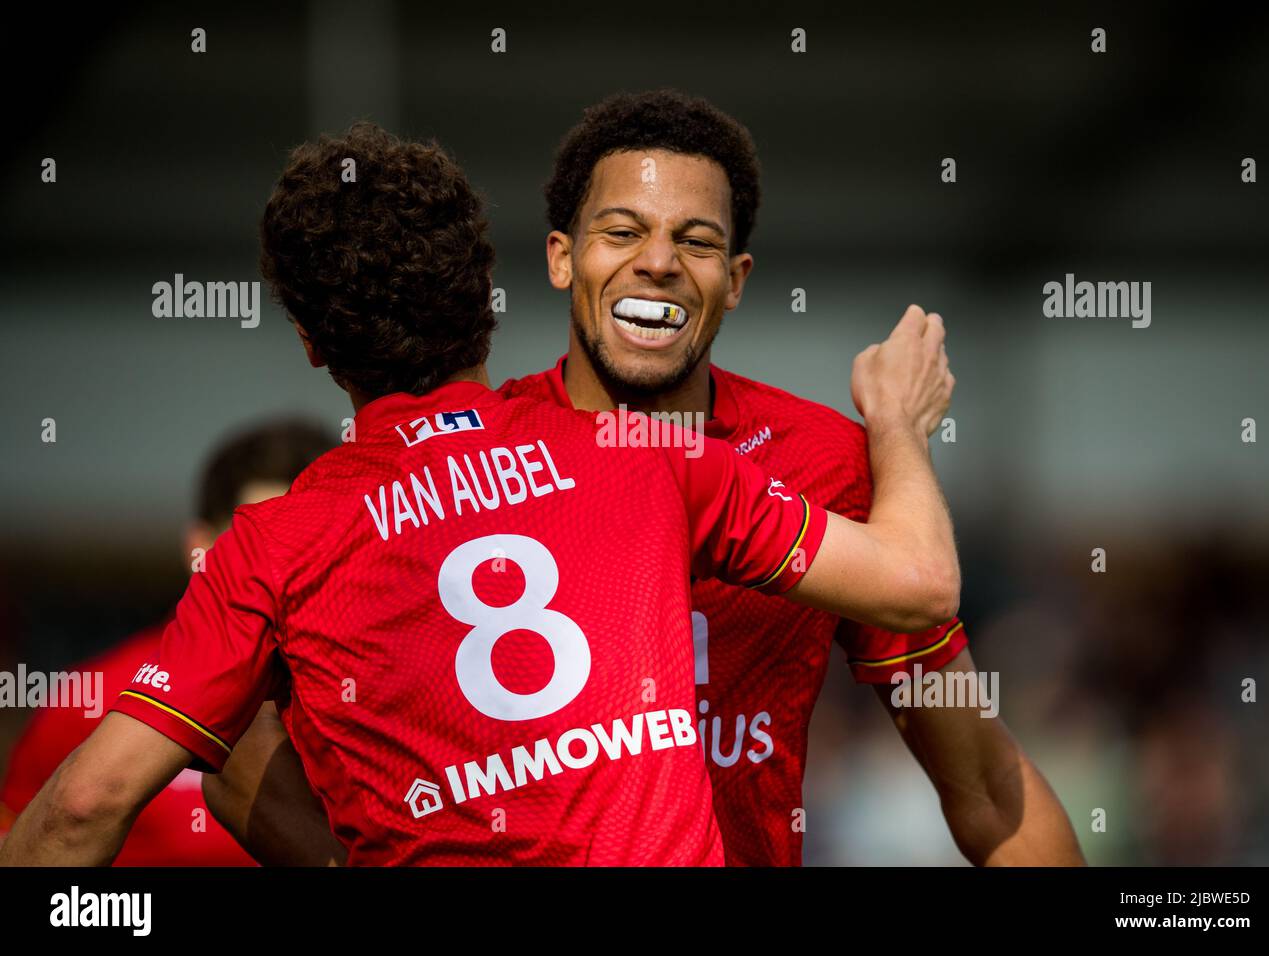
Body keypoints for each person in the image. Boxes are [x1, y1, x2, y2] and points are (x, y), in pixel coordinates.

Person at [0, 122, 957, 867]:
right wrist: (900, 428)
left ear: (309, 341)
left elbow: (88, 803)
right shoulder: (641, 454)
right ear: (488, 290)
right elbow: (918, 581)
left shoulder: (272, 542)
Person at [206, 92, 1083, 866]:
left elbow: (989, 788)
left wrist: (892, 435)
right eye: (622, 231)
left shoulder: (824, 465)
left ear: (734, 281)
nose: (658, 261)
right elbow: (240, 743)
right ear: (561, 259)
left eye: (694, 241)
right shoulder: (470, 467)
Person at [0, 419, 334, 865]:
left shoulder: (388, 699)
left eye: (308, 548)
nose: (279, 573)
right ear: (199, 549)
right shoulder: (89, 701)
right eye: (252, 549)